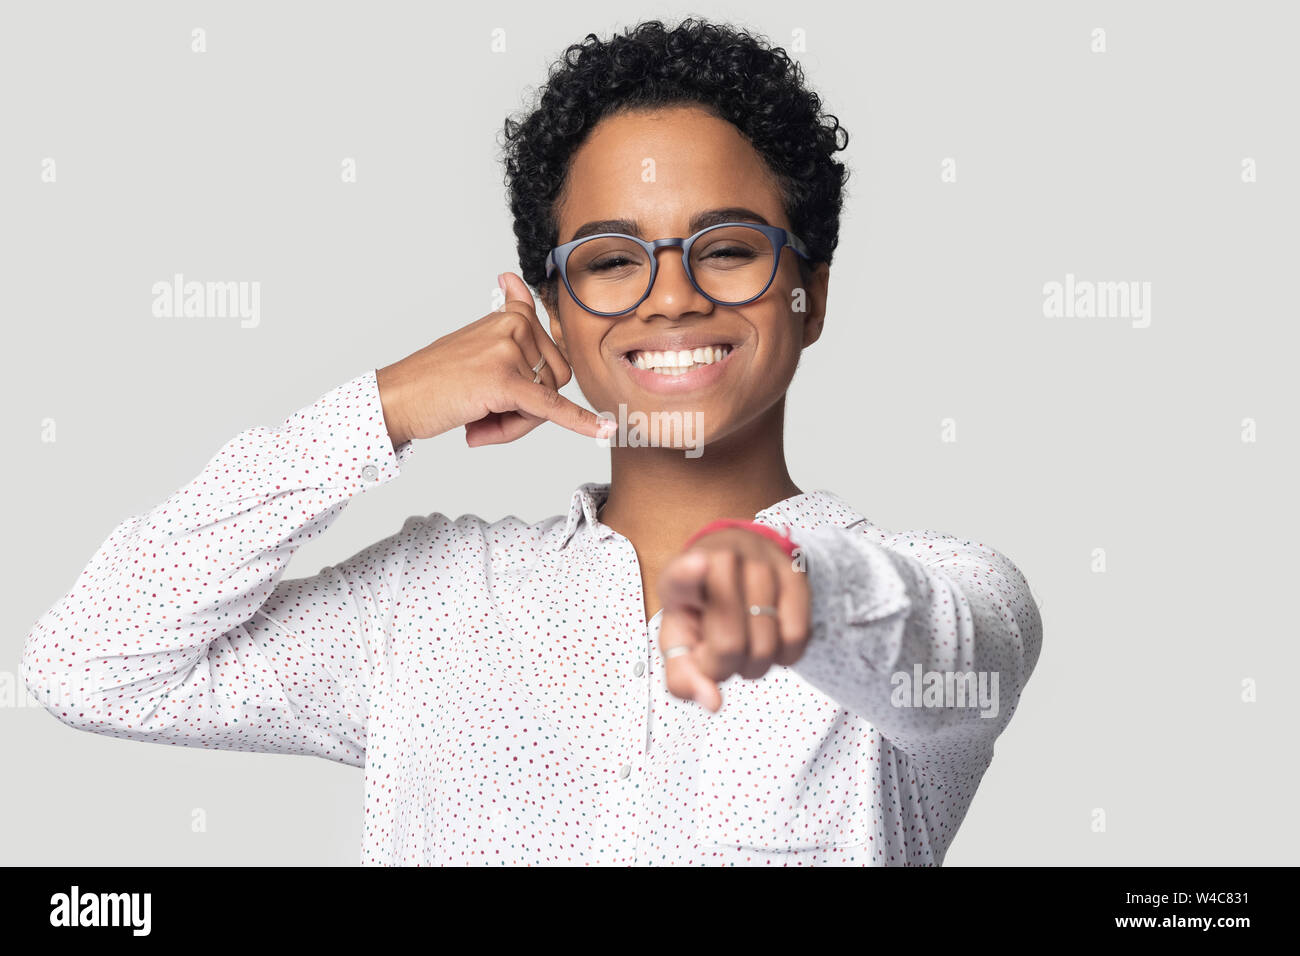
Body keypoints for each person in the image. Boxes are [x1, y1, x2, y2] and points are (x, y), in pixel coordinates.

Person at [21, 17, 1041, 865]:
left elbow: (933, 641)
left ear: (808, 293)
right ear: (549, 308)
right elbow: (91, 662)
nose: (672, 295)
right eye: (610, 260)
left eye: (726, 249)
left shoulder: (956, 589)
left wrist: (792, 588)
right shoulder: (435, 597)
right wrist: (383, 407)